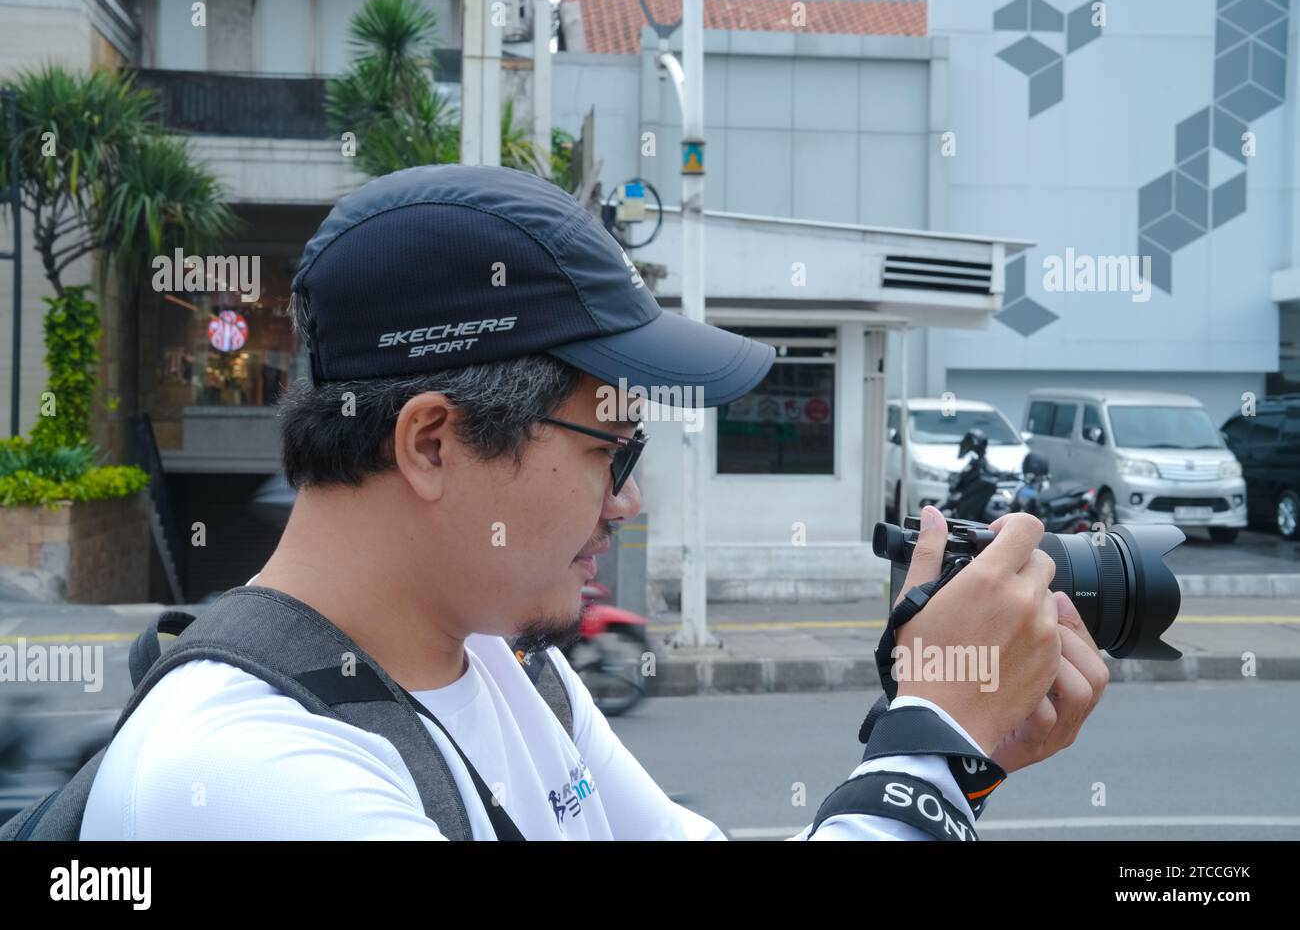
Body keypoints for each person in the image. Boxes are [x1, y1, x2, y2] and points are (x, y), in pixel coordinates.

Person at [80, 164, 1108, 840]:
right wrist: (925, 749)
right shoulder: (241, 767)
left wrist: (949, 751)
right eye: (612, 448)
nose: (628, 501)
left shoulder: (505, 667)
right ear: (433, 442)